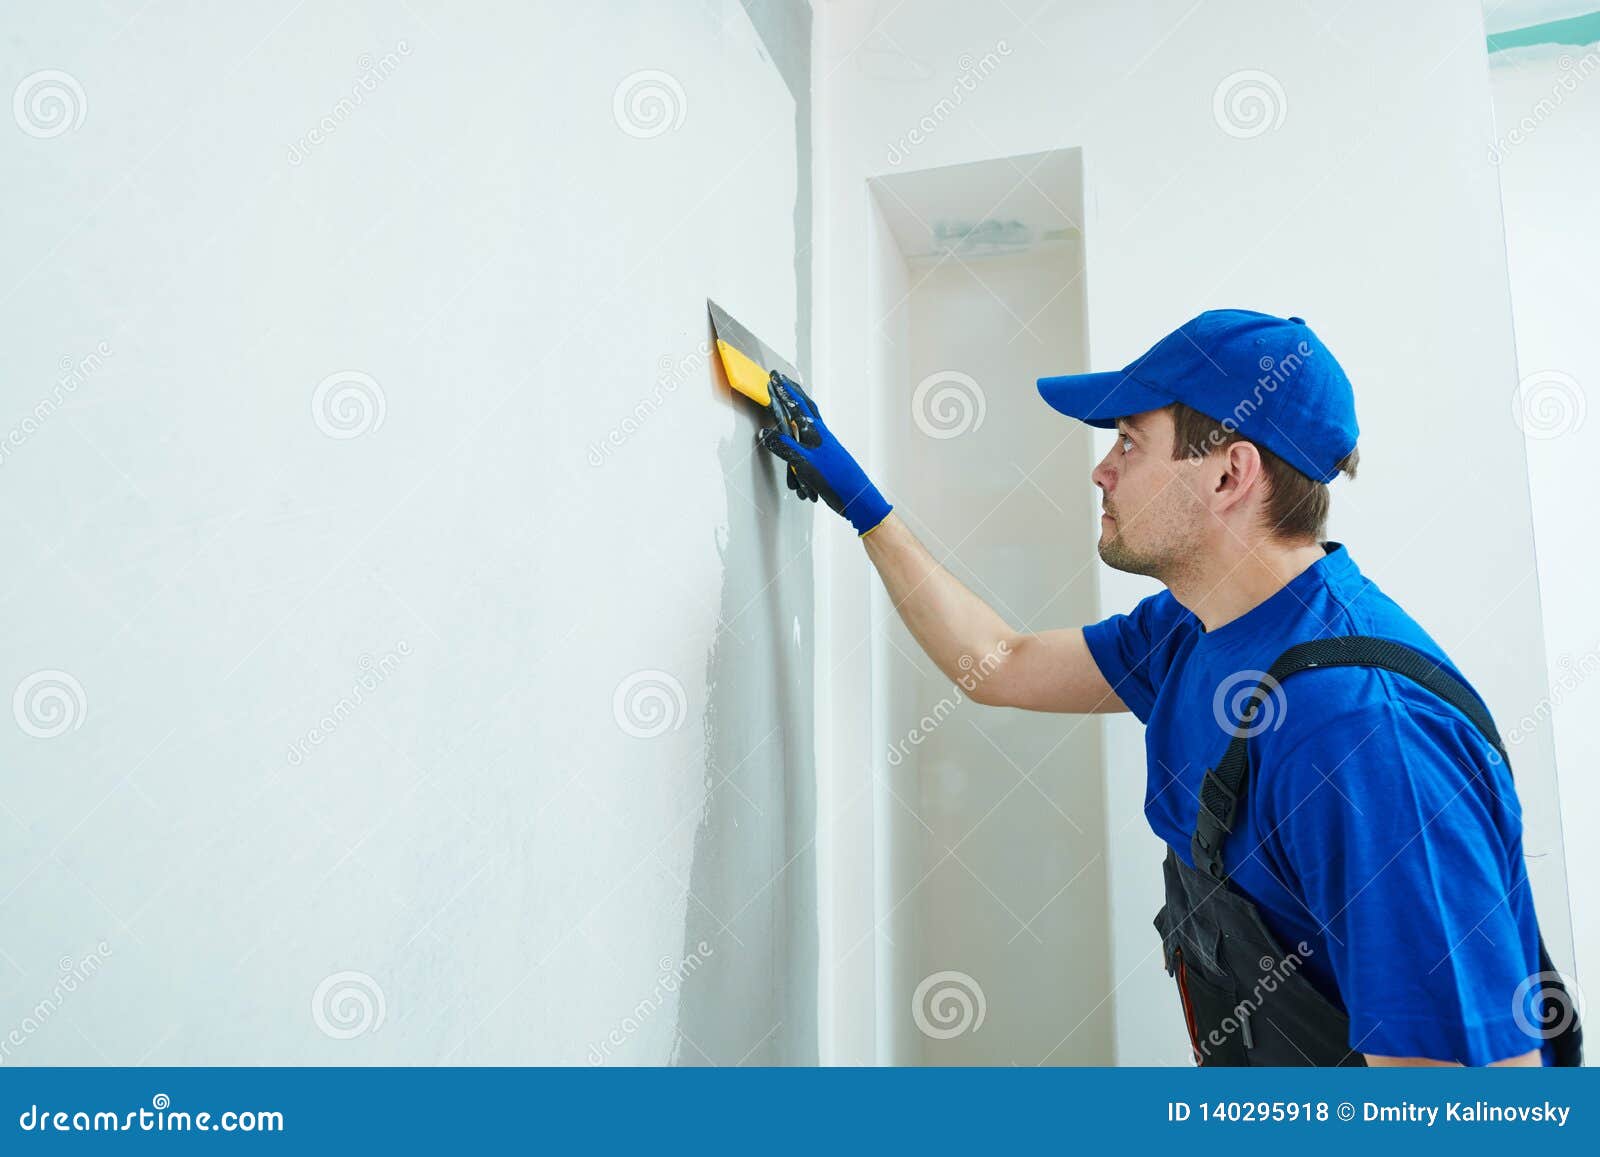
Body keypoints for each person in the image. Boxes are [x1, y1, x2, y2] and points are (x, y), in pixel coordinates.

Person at [756, 308, 1580, 1067]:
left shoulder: (1362, 737)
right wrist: (860, 502)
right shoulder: (1194, 628)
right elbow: (998, 662)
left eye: (1128, 441)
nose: (1102, 472)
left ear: (1229, 475)